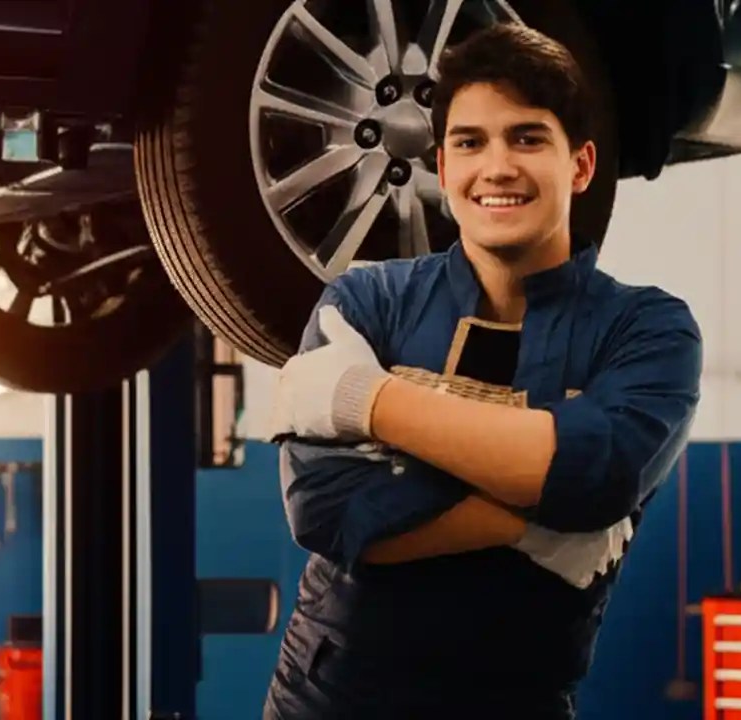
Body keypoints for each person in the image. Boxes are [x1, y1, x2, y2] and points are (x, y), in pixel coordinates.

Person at [260, 21, 703, 720]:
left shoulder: (647, 330)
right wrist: (531, 519)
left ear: (581, 166)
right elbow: (325, 507)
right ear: (442, 162)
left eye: (527, 137)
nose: (496, 167)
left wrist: (362, 400)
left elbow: (599, 476)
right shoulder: (365, 302)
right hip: (331, 701)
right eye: (470, 142)